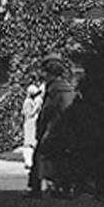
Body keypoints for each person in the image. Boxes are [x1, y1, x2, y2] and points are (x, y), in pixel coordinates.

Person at [26, 56, 76, 198]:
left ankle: (36, 189)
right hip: (67, 131)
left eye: (46, 73)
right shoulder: (68, 88)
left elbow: (47, 111)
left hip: (54, 130)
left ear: (50, 74)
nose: (44, 76)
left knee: (39, 157)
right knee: (63, 160)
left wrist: (40, 129)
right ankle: (64, 188)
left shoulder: (54, 90)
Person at [21, 82, 44, 175]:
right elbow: (28, 114)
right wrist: (37, 108)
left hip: (31, 123)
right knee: (30, 143)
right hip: (29, 123)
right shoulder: (28, 102)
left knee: (32, 143)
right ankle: (28, 162)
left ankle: (30, 162)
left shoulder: (31, 101)